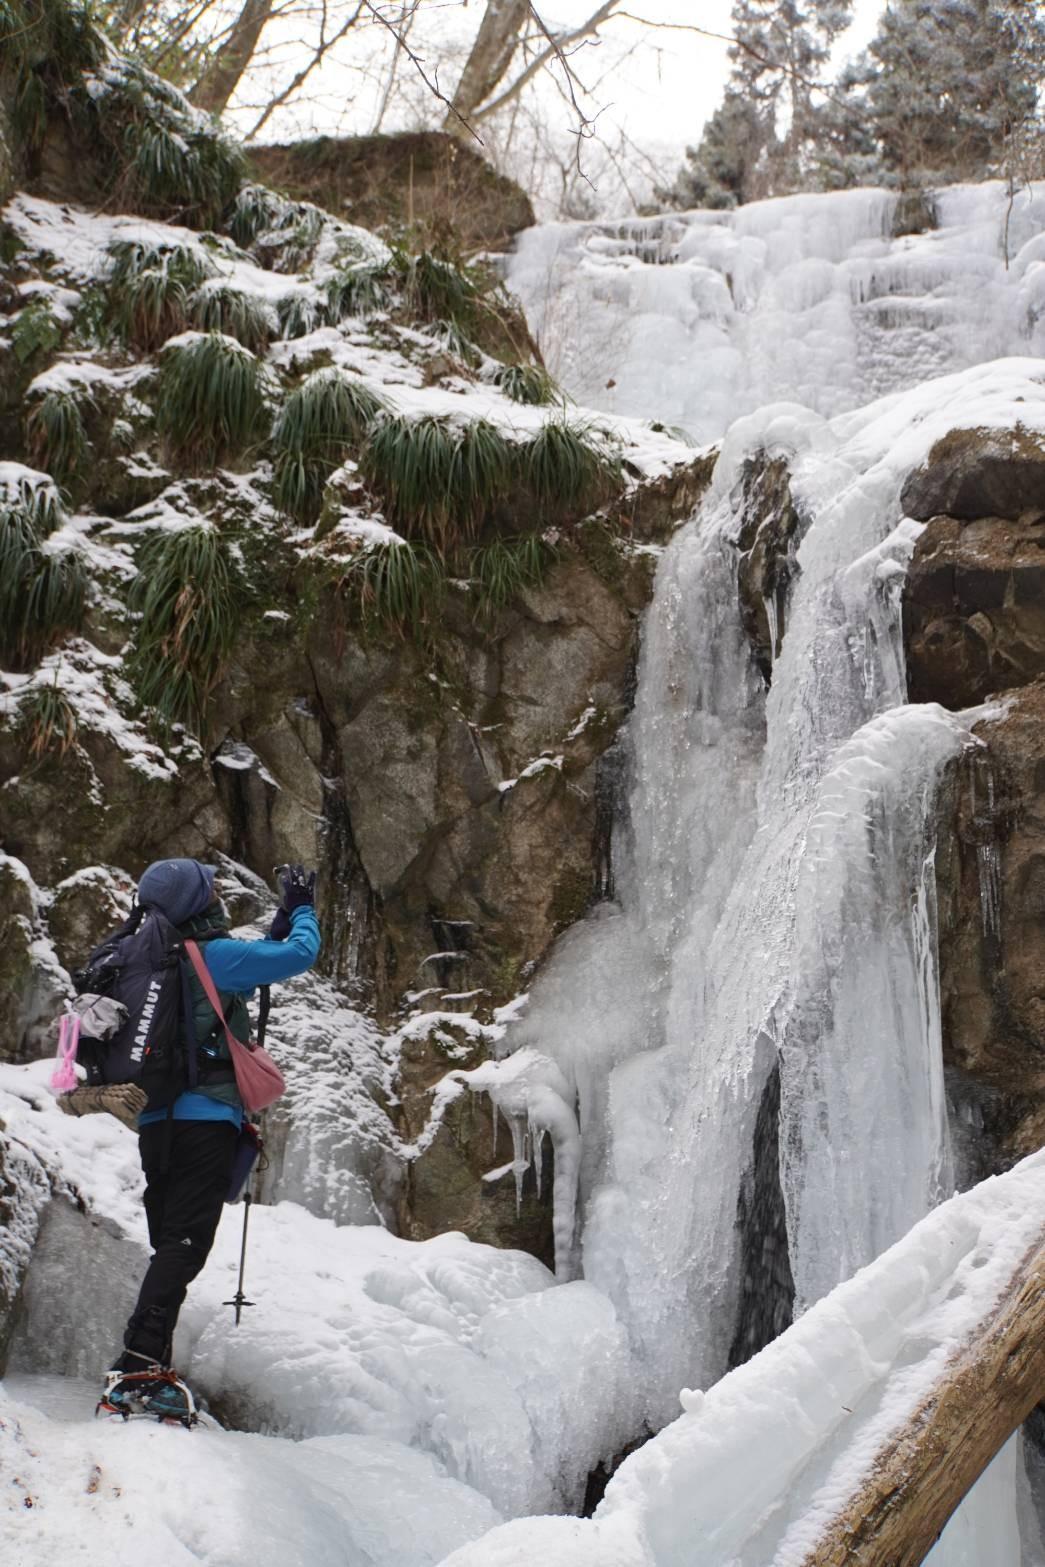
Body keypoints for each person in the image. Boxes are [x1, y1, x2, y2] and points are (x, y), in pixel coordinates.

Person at [101, 858, 320, 1420]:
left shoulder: (140, 958)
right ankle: (136, 1367)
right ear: (198, 903)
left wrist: (277, 920)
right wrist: (302, 910)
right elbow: (299, 955)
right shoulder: (214, 958)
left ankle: (150, 1363)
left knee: (171, 1241)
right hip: (205, 1121)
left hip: (156, 1122)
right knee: (185, 1244)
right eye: (211, 891)